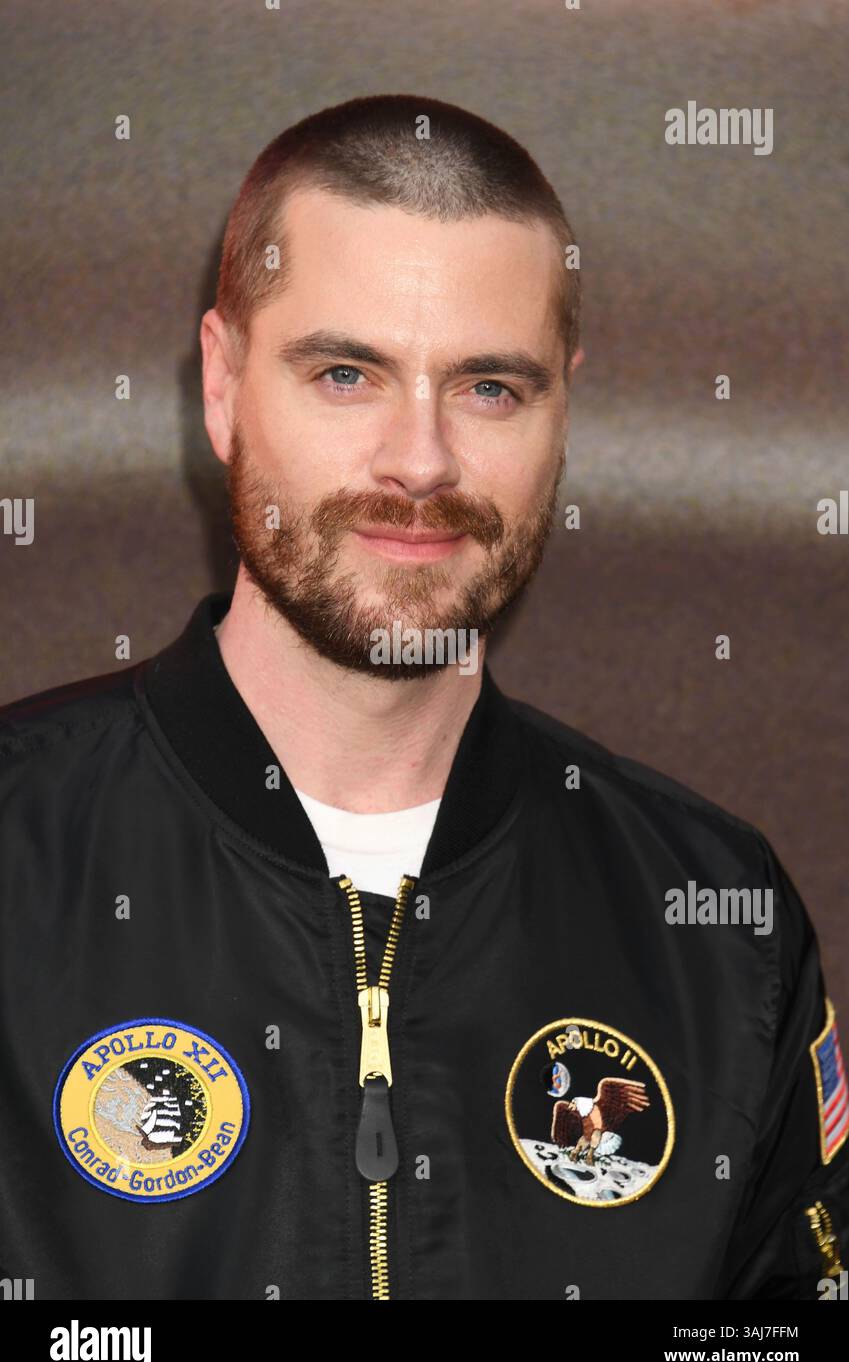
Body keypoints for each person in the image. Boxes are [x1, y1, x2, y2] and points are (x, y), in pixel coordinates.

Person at [1, 94, 846, 1301]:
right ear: (224, 386)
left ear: (564, 410)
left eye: (491, 388)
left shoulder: (719, 927)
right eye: (347, 373)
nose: (422, 462)